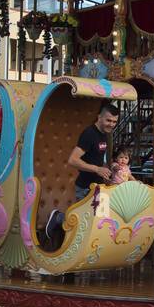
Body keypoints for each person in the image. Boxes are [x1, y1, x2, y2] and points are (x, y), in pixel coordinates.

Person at [46, 100, 120, 244]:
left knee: (100, 220)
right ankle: (58, 218)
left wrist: (107, 171)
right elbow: (73, 160)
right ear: (99, 117)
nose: (111, 124)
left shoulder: (104, 134)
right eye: (108, 120)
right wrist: (97, 169)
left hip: (99, 186)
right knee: (82, 221)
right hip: (85, 186)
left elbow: (98, 157)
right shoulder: (89, 134)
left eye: (114, 121)